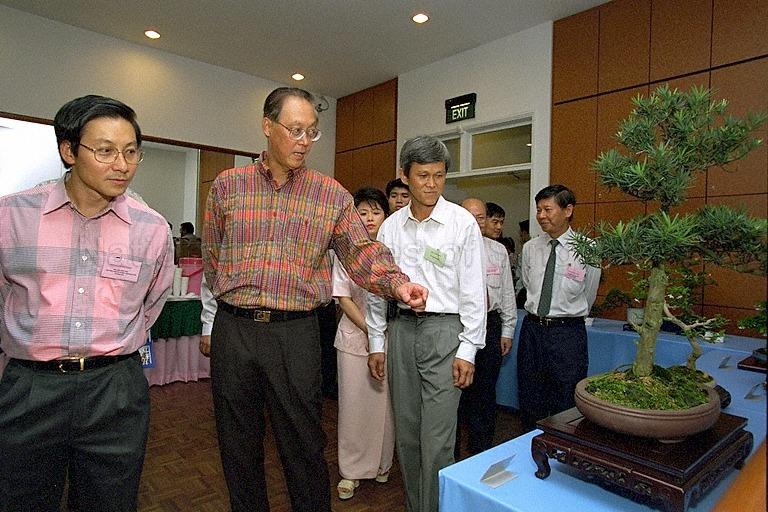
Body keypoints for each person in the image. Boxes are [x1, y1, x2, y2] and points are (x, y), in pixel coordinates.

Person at [201, 87, 428, 512]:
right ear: (268, 127)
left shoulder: (331, 195)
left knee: (304, 443)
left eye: (312, 132)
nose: (304, 141)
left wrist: (397, 284)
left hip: (296, 334)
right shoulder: (228, 186)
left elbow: (361, 252)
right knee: (237, 443)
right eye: (295, 130)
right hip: (235, 331)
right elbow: (213, 258)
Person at [0, 95, 175, 511]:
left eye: (132, 152)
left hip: (115, 388)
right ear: (68, 151)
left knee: (110, 501)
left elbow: (152, 304)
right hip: (30, 387)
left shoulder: (151, 229)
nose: (122, 164)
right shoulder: (12, 218)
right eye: (106, 151)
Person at [367, 136, 486, 512]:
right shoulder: (390, 228)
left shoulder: (461, 223)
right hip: (401, 331)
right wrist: (376, 341)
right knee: (408, 435)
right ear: (404, 176)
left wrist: (468, 349)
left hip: (445, 334)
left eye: (439, 175)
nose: (432, 184)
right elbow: (376, 286)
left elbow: (473, 290)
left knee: (437, 438)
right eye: (423, 175)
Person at [517, 185, 600, 431]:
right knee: (530, 395)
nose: (541, 215)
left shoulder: (587, 249)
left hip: (567, 333)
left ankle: (563, 450)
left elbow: (590, 293)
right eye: (538, 209)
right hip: (532, 330)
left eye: (548, 209)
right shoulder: (531, 248)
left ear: (568, 210)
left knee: (566, 396)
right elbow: (529, 285)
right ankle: (530, 446)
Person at [333, 187, 395, 500]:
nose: (369, 218)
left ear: (386, 215)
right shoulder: (346, 250)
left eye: (375, 211)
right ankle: (351, 471)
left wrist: (382, 337)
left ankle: (383, 463)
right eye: (362, 212)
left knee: (384, 409)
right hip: (354, 339)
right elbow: (343, 297)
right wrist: (373, 333)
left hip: (390, 341)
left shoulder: (394, 248)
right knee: (354, 407)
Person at [457, 198, 517, 456]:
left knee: (484, 391)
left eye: (480, 217)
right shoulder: (451, 248)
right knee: (456, 392)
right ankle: (452, 453)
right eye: (469, 216)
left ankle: (480, 450)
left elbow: (507, 294)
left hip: (490, 325)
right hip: (457, 324)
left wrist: (507, 330)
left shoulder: (498, 251)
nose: (475, 221)